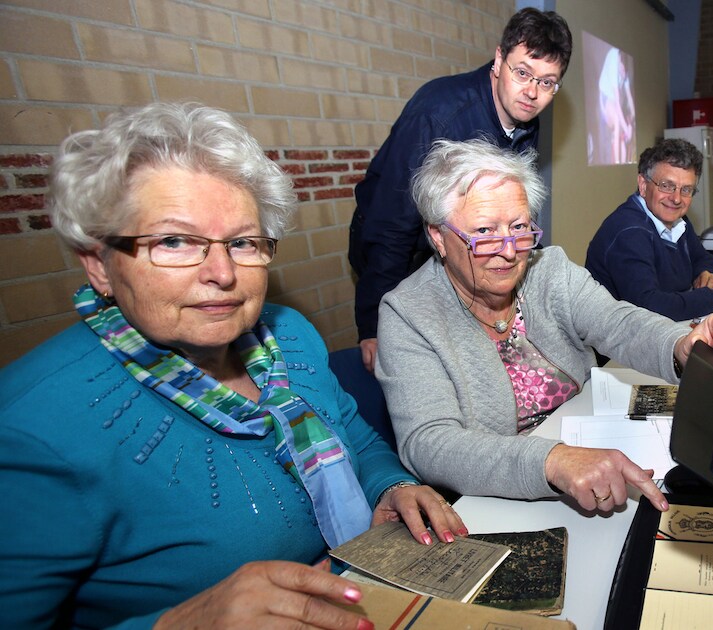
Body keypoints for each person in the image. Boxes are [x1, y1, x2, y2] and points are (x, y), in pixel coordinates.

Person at [0, 102, 464, 629]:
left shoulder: (290, 334)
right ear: (97, 263)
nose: (221, 272)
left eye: (242, 242)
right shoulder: (28, 429)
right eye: (173, 241)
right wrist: (183, 624)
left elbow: (354, 435)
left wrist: (391, 487)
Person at [376, 139, 713, 514]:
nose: (509, 250)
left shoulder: (548, 269)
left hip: (590, 463)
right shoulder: (408, 313)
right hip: (490, 502)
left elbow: (618, 321)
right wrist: (552, 461)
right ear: (438, 236)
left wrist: (680, 345)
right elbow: (430, 442)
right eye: (485, 232)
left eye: (520, 227)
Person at [349, 8, 572, 373]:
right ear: (499, 59)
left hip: (455, 250)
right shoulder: (439, 115)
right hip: (401, 254)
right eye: (523, 73)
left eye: (548, 82)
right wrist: (374, 324)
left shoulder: (522, 118)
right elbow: (390, 224)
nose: (532, 92)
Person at [585, 138, 713, 321]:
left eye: (686, 189)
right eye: (666, 186)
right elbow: (649, 306)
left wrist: (704, 273)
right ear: (643, 185)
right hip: (625, 342)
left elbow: (701, 257)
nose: (677, 198)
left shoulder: (675, 219)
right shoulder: (629, 232)